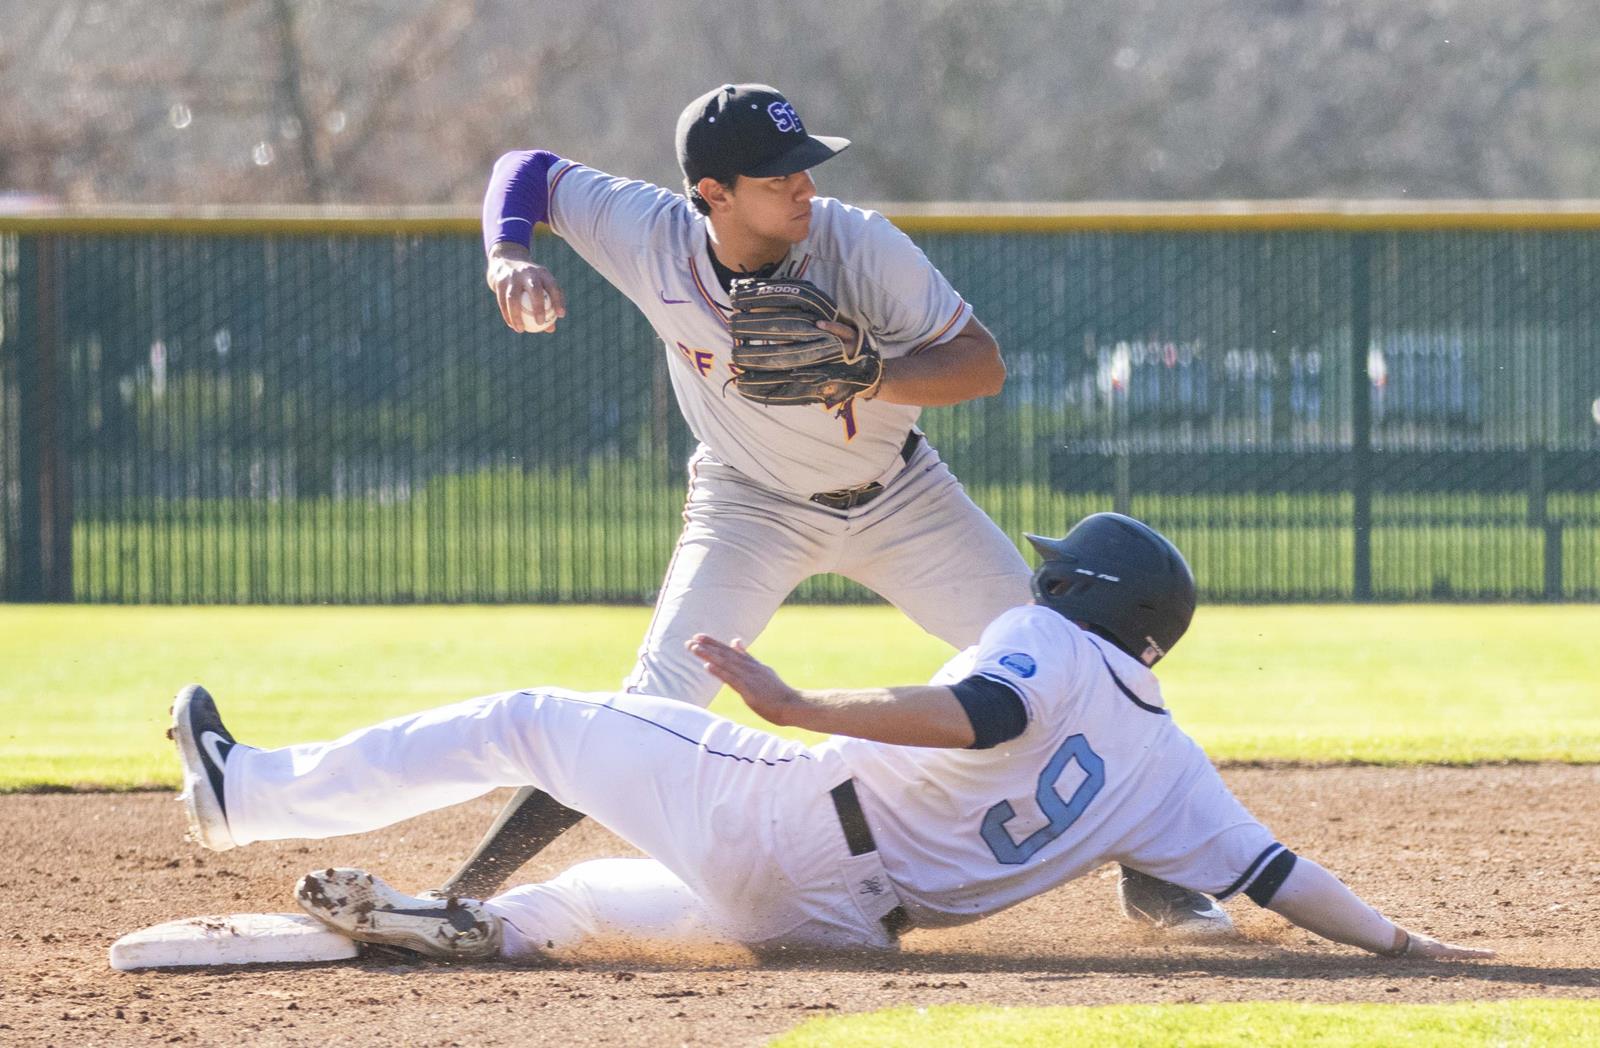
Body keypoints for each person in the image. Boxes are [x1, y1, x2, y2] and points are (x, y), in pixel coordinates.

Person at [452, 81, 1222, 935]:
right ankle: (463, 892)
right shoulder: (650, 234)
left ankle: (1158, 874)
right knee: (652, 701)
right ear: (712, 193)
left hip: (902, 497)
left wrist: (869, 375)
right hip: (748, 503)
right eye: (778, 176)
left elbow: (981, 364)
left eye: (806, 168)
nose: (804, 187)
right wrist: (507, 253)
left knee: (1064, 660)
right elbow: (525, 170)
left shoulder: (859, 245)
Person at [170, 513, 1492, 965]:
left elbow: (981, 712)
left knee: (530, 722)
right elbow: (1275, 879)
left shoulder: (1050, 645)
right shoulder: (1169, 764)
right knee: (580, 904)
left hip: (791, 816)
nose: (1036, 583)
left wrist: (806, 707)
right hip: (845, 921)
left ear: (1088, 599)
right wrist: (1400, 943)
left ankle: (247, 797)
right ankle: (467, 925)